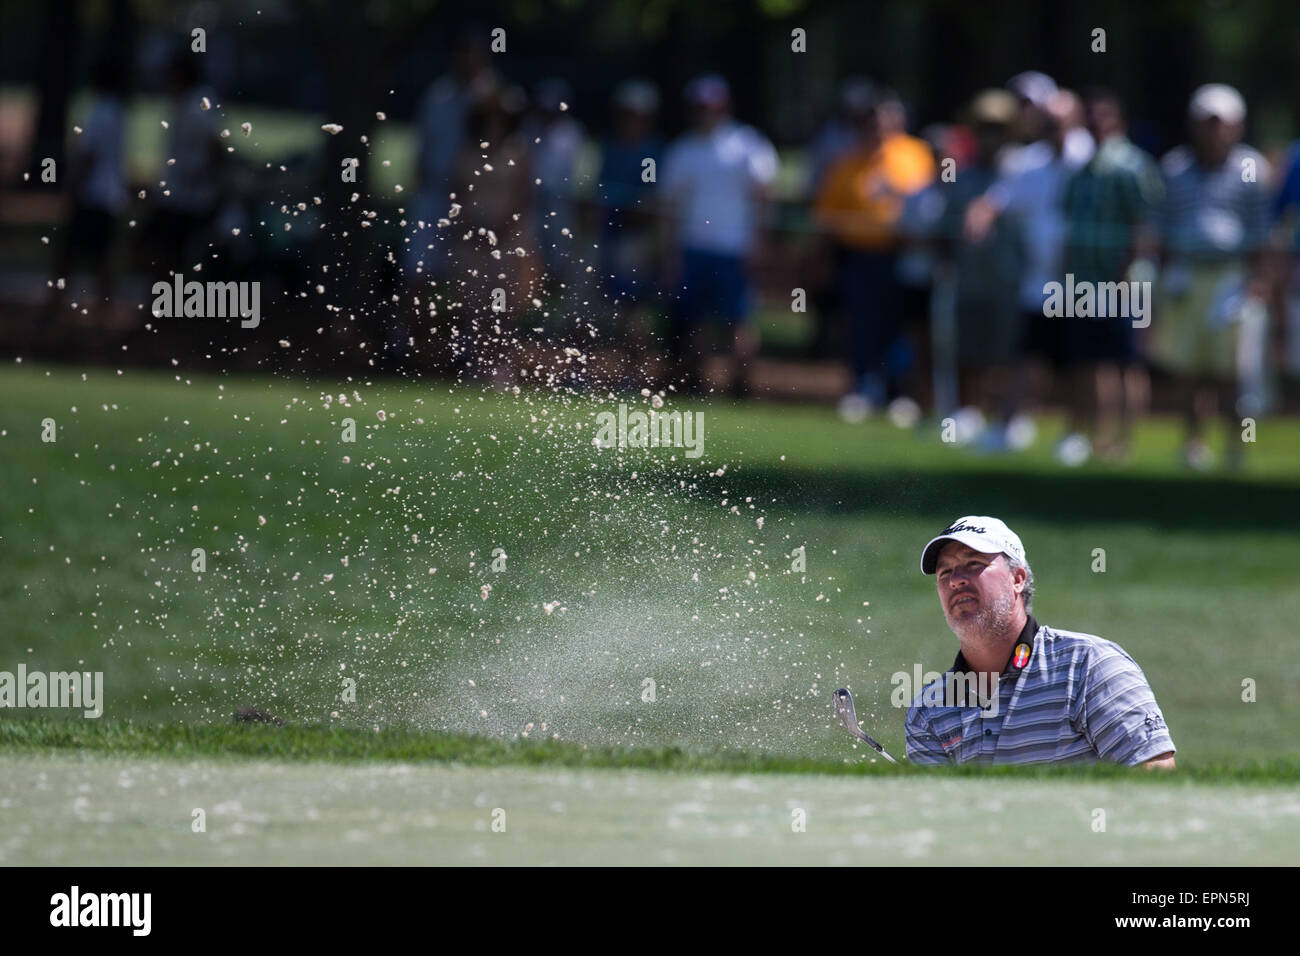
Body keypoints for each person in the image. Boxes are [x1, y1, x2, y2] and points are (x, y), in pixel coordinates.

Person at [905, 516, 1177, 767]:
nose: (955, 581)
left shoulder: (1088, 666)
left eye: (974, 564)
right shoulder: (929, 710)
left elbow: (1154, 778)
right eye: (945, 573)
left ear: (1017, 579)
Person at [963, 88, 1094, 453]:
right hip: (1038, 282)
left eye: (1060, 124)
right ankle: (1006, 428)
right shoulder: (1027, 163)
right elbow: (998, 198)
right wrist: (980, 214)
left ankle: (1075, 438)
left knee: (1078, 364)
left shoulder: (1091, 159)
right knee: (1024, 358)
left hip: (1080, 284)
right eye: (1048, 124)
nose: (1054, 131)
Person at [1153, 84, 1271, 470]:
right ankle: (1193, 447)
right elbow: (1162, 231)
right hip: (1186, 277)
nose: (1213, 131)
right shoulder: (1175, 168)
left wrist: (1258, 284)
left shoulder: (1251, 168)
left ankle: (1236, 450)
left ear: (1237, 126)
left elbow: (1263, 235)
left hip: (1232, 279)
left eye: (1220, 123)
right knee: (1188, 370)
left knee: (1232, 373)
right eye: (1206, 123)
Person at [814, 85, 935, 420]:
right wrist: (822, 260)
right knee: (860, 323)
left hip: (902, 255)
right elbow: (827, 217)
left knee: (898, 326)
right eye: (871, 123)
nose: (878, 130)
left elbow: (929, 203)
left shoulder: (916, 156)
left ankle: (899, 393)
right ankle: (862, 388)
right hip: (856, 256)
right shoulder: (845, 163)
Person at [1057, 88, 1164, 464]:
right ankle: (1092, 436)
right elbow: (1070, 225)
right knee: (1090, 361)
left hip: (1123, 281)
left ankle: (1123, 441)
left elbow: (1144, 224)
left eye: (1103, 116)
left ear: (1117, 120)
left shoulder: (1133, 166)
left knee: (1126, 363)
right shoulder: (1083, 170)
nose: (1096, 124)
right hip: (1085, 279)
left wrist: (1125, 273)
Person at [660, 74, 778, 395]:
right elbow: (670, 206)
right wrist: (670, 251)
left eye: (711, 106)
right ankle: (694, 379)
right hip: (693, 245)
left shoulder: (746, 145)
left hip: (733, 246)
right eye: (700, 107)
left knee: (737, 319)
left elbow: (764, 195)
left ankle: (742, 383)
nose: (706, 112)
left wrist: (760, 240)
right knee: (692, 318)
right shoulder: (683, 150)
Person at [44, 57, 128, 332]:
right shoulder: (117, 112)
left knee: (69, 254)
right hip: (109, 196)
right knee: (100, 256)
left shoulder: (99, 112)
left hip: (93, 194)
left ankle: (56, 308)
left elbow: (88, 155)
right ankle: (104, 311)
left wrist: (73, 187)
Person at [596, 79, 663, 383]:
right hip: (608, 235)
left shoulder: (652, 151)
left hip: (636, 239)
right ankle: (596, 372)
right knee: (602, 307)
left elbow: (651, 201)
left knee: (634, 310)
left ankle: (633, 375)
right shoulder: (611, 146)